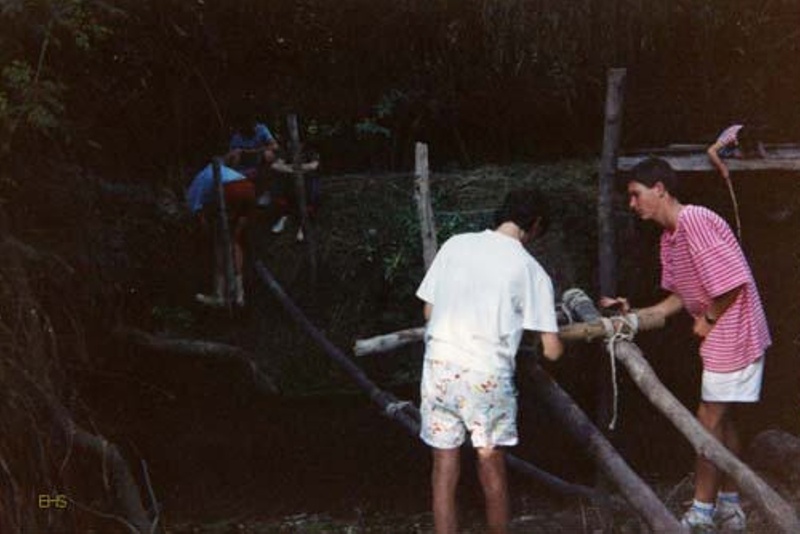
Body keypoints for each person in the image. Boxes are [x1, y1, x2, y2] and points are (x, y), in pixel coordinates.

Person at [610, 157, 771, 533]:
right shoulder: (670, 238)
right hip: (720, 333)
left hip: (734, 331)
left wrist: (710, 318)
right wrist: (633, 317)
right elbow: (677, 299)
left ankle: (701, 512)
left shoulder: (695, 220)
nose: (632, 204)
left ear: (660, 189)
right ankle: (730, 506)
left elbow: (733, 281)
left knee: (706, 421)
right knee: (721, 418)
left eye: (636, 195)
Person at [415, 189, 564, 534]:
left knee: (444, 466)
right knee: (491, 466)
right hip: (486, 376)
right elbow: (553, 349)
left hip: (438, 366)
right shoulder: (531, 270)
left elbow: (428, 309)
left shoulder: (456, 244)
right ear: (536, 225)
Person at [186, 160, 255, 307]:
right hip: (248, 187)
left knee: (220, 243)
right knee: (234, 241)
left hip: (230, 190)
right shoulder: (221, 170)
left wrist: (206, 230)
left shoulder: (197, 182)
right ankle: (239, 294)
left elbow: (197, 210)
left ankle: (219, 294)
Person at [225, 114, 279, 207]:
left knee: (268, 154)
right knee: (235, 156)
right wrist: (237, 153)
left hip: (260, 160)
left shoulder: (261, 129)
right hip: (245, 164)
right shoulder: (237, 137)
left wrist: (252, 151)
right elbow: (229, 156)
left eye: (252, 125)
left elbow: (275, 146)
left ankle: (266, 191)